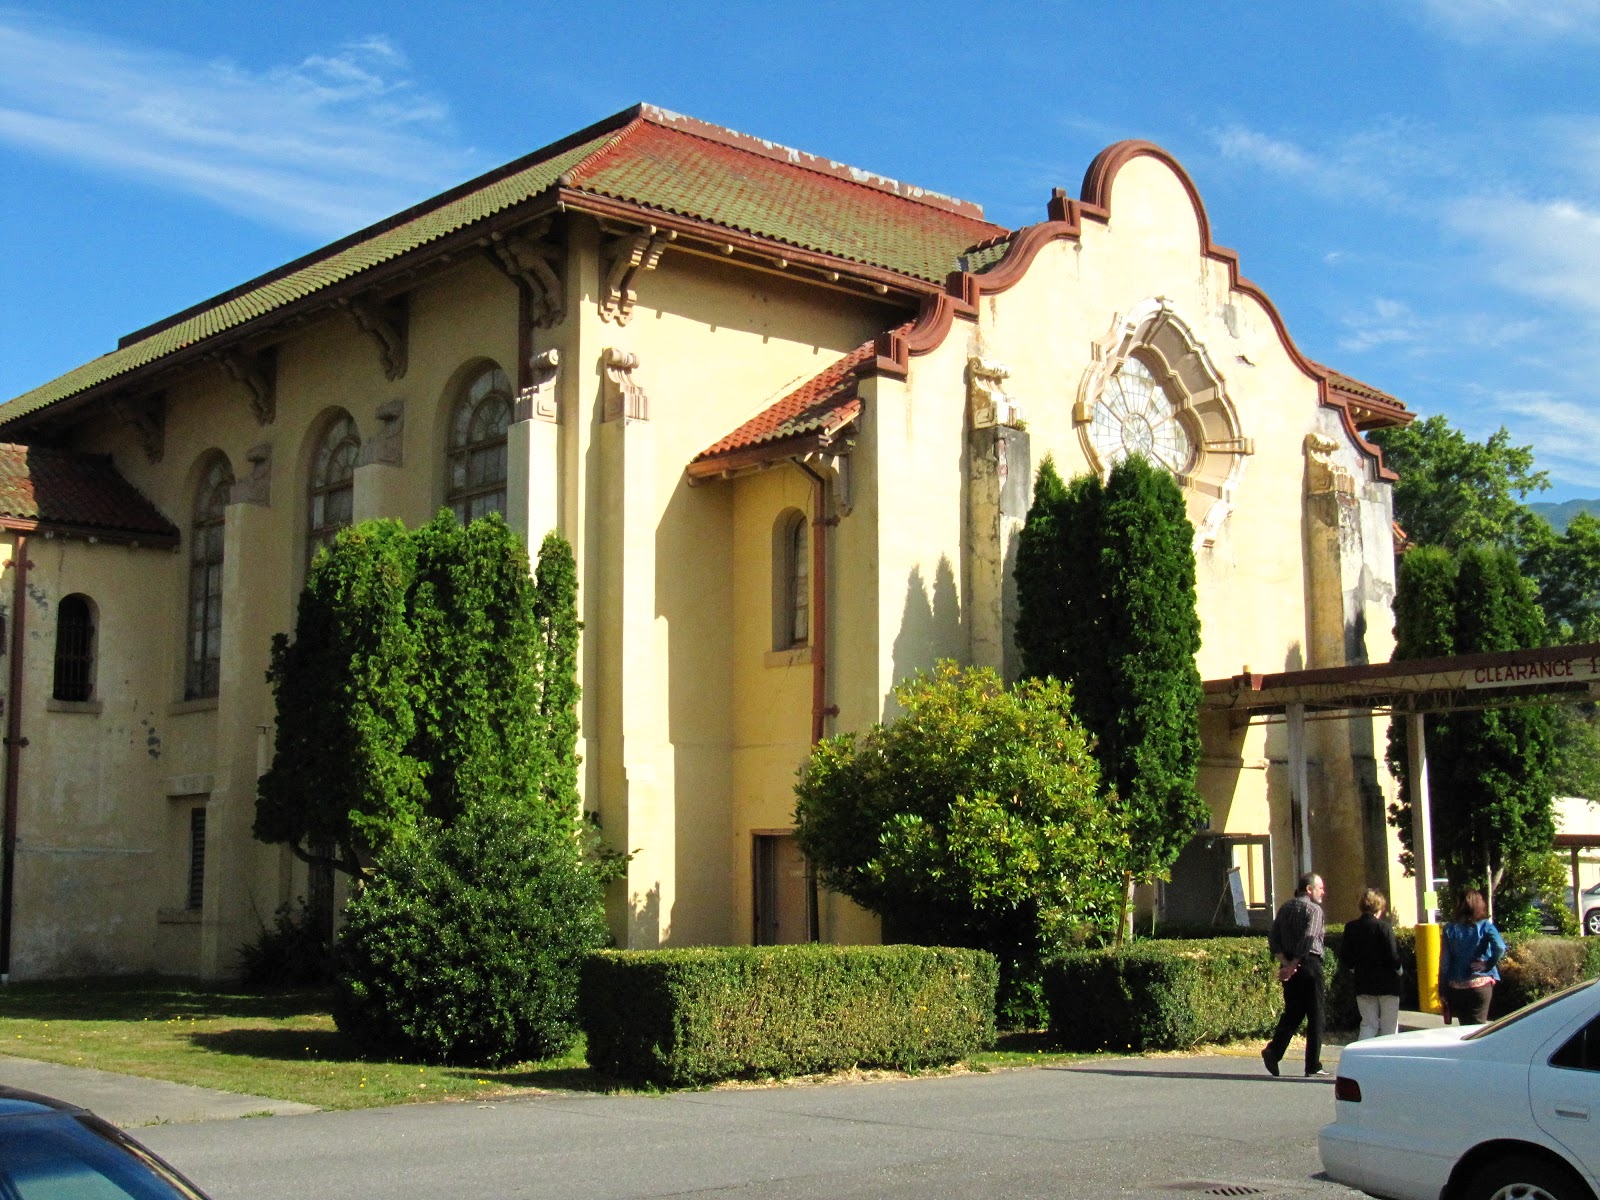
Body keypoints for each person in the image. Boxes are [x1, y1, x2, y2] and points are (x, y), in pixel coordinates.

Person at [1263, 871, 1327, 1077]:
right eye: (1320, 888)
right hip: (1308, 963)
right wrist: (1295, 963)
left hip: (1290, 963)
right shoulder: (1314, 910)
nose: (1323, 892)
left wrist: (1286, 963)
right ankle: (1313, 1065)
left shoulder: (1284, 908)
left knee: (1293, 1012)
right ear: (1309, 889)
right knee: (1316, 1015)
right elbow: (1309, 938)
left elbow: (1273, 938)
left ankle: (1274, 1051)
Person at [1438, 889, 1505, 1026]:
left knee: (1464, 1026)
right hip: (1479, 983)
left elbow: (1444, 963)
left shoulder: (1450, 928)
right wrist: (1488, 964)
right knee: (1478, 1027)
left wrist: (1442, 989)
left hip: (1457, 987)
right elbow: (1500, 947)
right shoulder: (1485, 926)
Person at [1342, 888, 1402, 1039]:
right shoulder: (1384, 927)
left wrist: (1353, 969)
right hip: (1388, 984)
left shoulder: (1351, 927)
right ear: (1379, 908)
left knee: (1368, 1024)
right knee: (1389, 1026)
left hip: (1363, 982)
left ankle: (1364, 1056)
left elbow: (1345, 956)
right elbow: (1392, 955)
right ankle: (1388, 1058)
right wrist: (1399, 970)